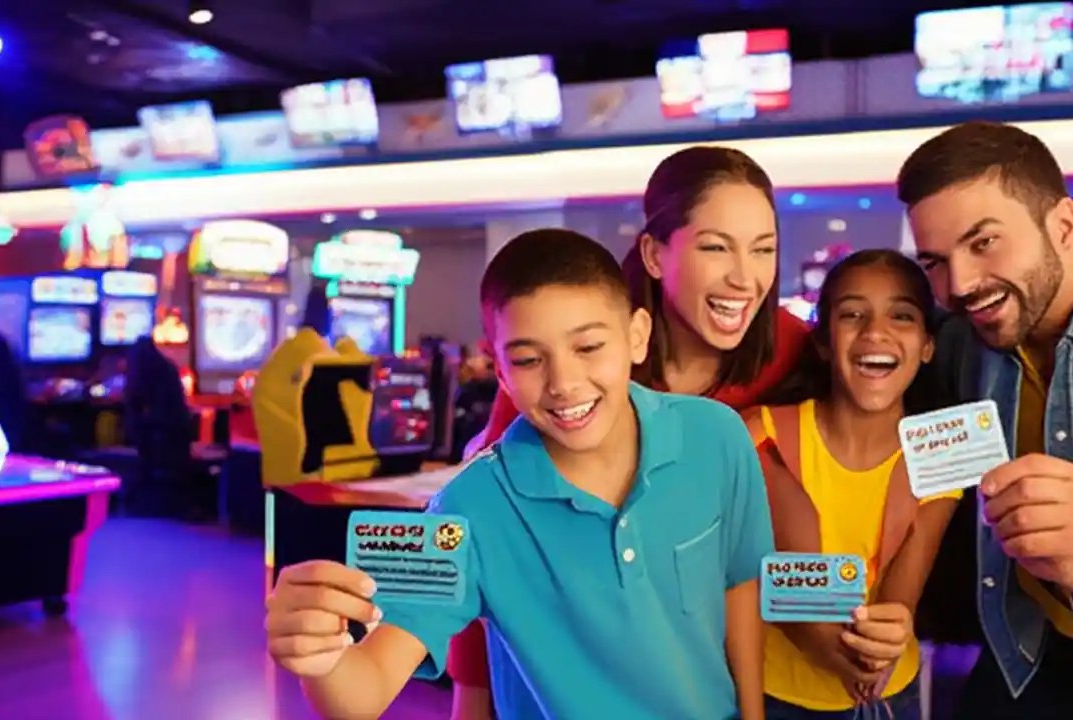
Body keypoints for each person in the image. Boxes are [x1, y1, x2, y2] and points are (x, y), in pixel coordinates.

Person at [265, 229, 774, 719]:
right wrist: (320, 654)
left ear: (636, 337)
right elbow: (365, 690)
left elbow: (740, 588)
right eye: (529, 359)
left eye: (588, 347)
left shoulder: (716, 436)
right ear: (500, 371)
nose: (564, 383)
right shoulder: (466, 508)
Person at [454, 145, 810, 718]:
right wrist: (470, 701)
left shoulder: (792, 349)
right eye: (715, 247)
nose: (744, 278)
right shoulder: (560, 379)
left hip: (716, 676)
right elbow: (492, 548)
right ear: (652, 253)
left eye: (763, 249)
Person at [899, 121, 1073, 717]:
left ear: (1064, 227)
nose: (961, 284)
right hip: (1020, 654)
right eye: (935, 262)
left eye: (984, 242)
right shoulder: (962, 345)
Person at [746, 250, 960, 718]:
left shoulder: (939, 453)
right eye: (852, 315)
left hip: (887, 694)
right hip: (772, 693)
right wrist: (832, 648)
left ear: (927, 345)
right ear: (823, 341)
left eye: (901, 316)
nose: (875, 332)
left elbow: (903, 593)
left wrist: (883, 642)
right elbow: (749, 579)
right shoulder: (757, 435)